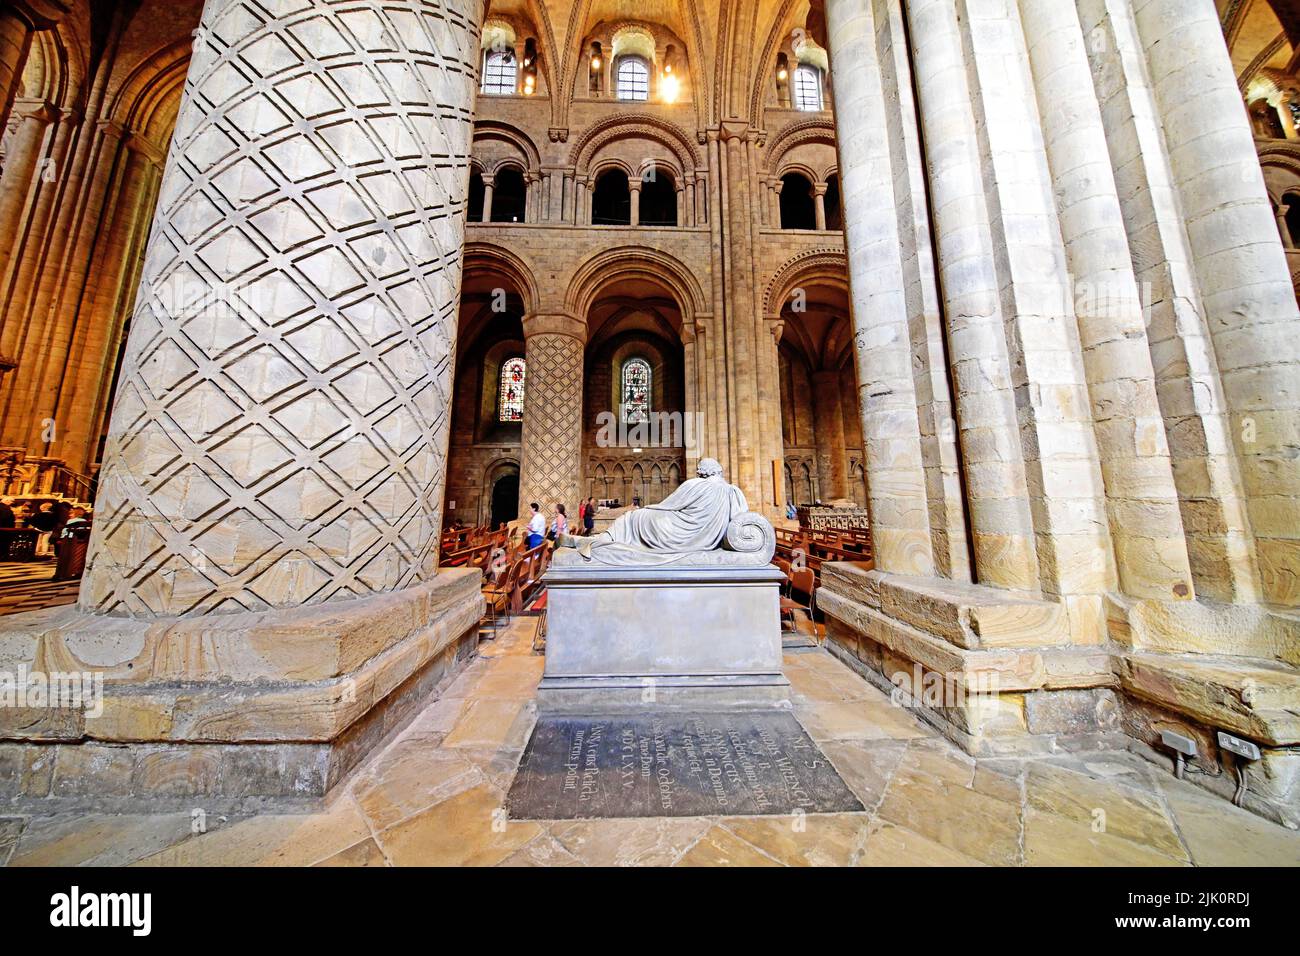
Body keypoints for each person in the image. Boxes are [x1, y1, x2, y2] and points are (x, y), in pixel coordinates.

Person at [559, 458, 747, 559]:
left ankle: (595, 542)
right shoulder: (733, 491)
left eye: (699, 471)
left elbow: (669, 505)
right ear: (719, 471)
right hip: (698, 535)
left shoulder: (697, 485)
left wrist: (647, 508)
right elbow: (742, 519)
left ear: (702, 472)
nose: (697, 473)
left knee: (634, 518)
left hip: (682, 533)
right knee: (635, 517)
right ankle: (595, 541)